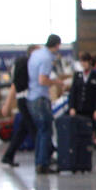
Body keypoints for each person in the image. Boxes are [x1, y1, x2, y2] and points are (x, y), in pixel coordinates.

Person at [26, 34, 65, 174]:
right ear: (57, 45)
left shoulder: (36, 54)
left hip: (31, 96)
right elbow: (43, 80)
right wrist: (57, 82)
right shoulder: (47, 57)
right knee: (46, 130)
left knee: (40, 131)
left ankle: (39, 161)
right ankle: (43, 163)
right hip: (40, 97)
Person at [1, 45, 38, 167]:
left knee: (23, 130)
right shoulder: (26, 64)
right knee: (34, 129)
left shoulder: (22, 63)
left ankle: (8, 156)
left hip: (23, 99)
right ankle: (44, 157)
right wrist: (7, 104)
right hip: (26, 99)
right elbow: (15, 85)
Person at [67, 52, 96, 135]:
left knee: (89, 129)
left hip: (90, 108)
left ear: (90, 62)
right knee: (78, 129)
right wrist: (71, 107)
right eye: (82, 62)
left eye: (85, 61)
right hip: (78, 107)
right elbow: (73, 92)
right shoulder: (77, 75)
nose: (83, 64)